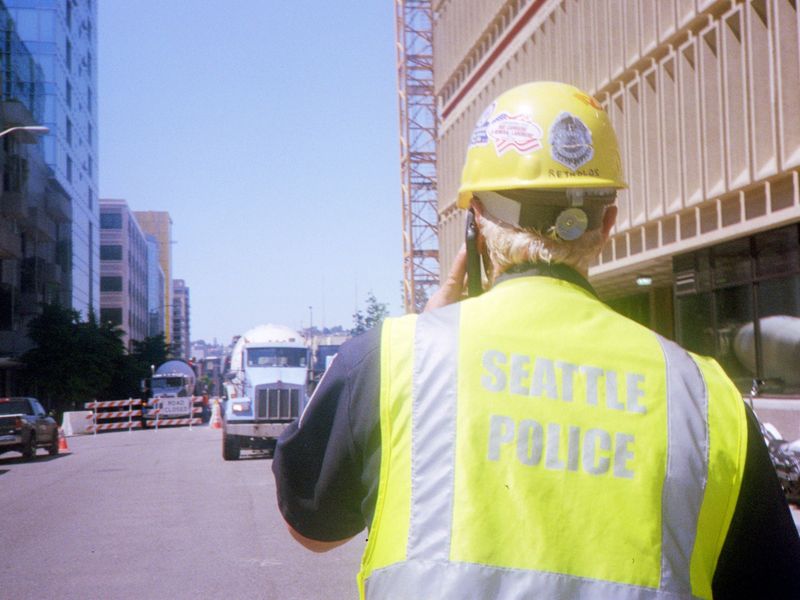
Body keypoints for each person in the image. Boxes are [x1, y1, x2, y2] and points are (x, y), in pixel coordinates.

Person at [272, 82, 800, 599]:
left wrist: (428, 332)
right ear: (608, 222)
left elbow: (311, 526)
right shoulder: (708, 401)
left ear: (474, 219)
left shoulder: (387, 359)